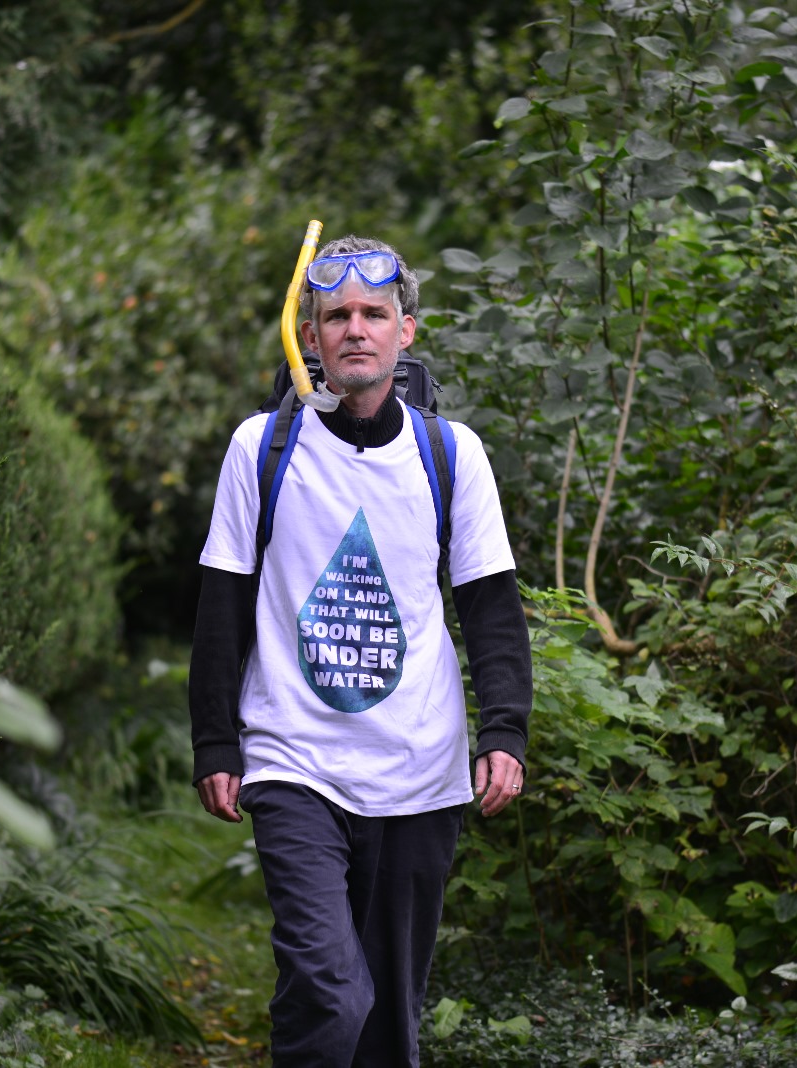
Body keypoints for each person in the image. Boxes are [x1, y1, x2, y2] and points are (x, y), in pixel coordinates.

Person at [188, 235, 532, 1067]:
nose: (354, 330)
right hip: (293, 762)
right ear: (309, 338)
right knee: (330, 992)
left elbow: (490, 609)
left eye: (373, 314)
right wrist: (214, 742)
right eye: (335, 315)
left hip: (420, 774)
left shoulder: (453, 456)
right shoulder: (259, 451)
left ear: (405, 332)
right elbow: (222, 607)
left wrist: (505, 733)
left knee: (388, 1030)